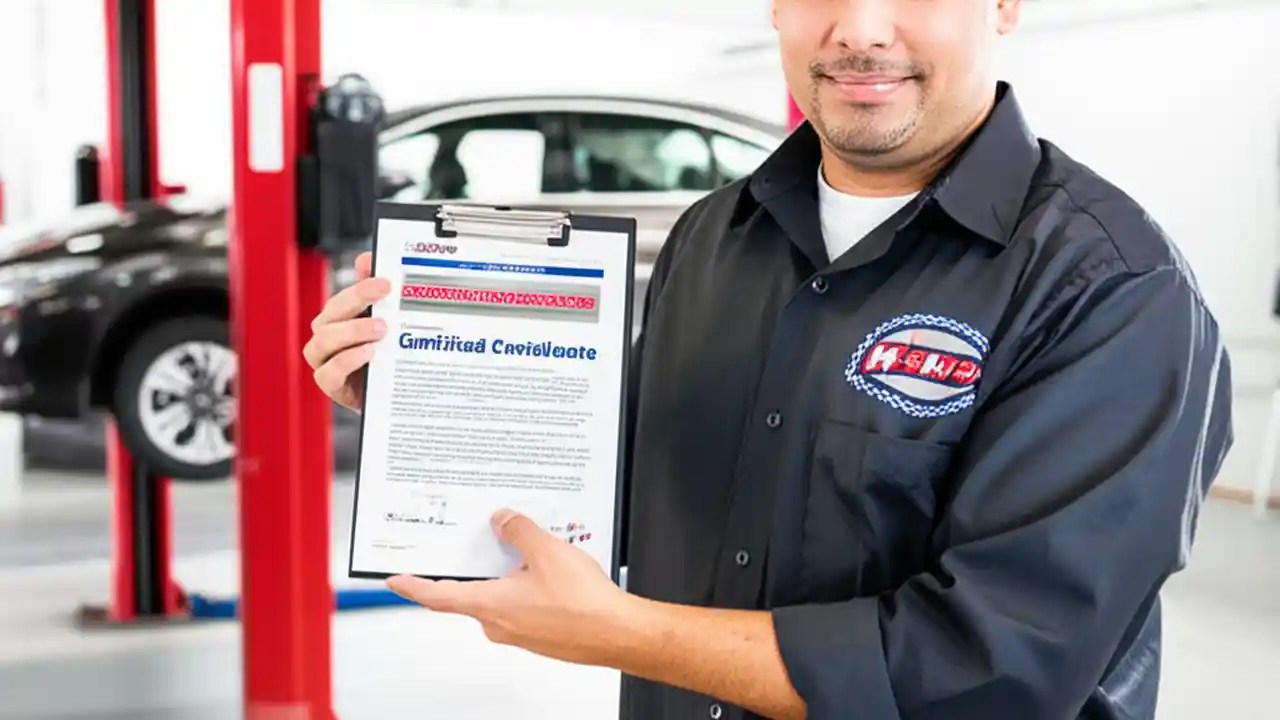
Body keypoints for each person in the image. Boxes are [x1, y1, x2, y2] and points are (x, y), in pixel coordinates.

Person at [303, 1, 1234, 718]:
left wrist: (624, 635)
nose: (860, 30)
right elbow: (637, 490)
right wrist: (439, 395)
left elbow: (992, 669)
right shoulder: (714, 236)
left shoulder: (1114, 289)